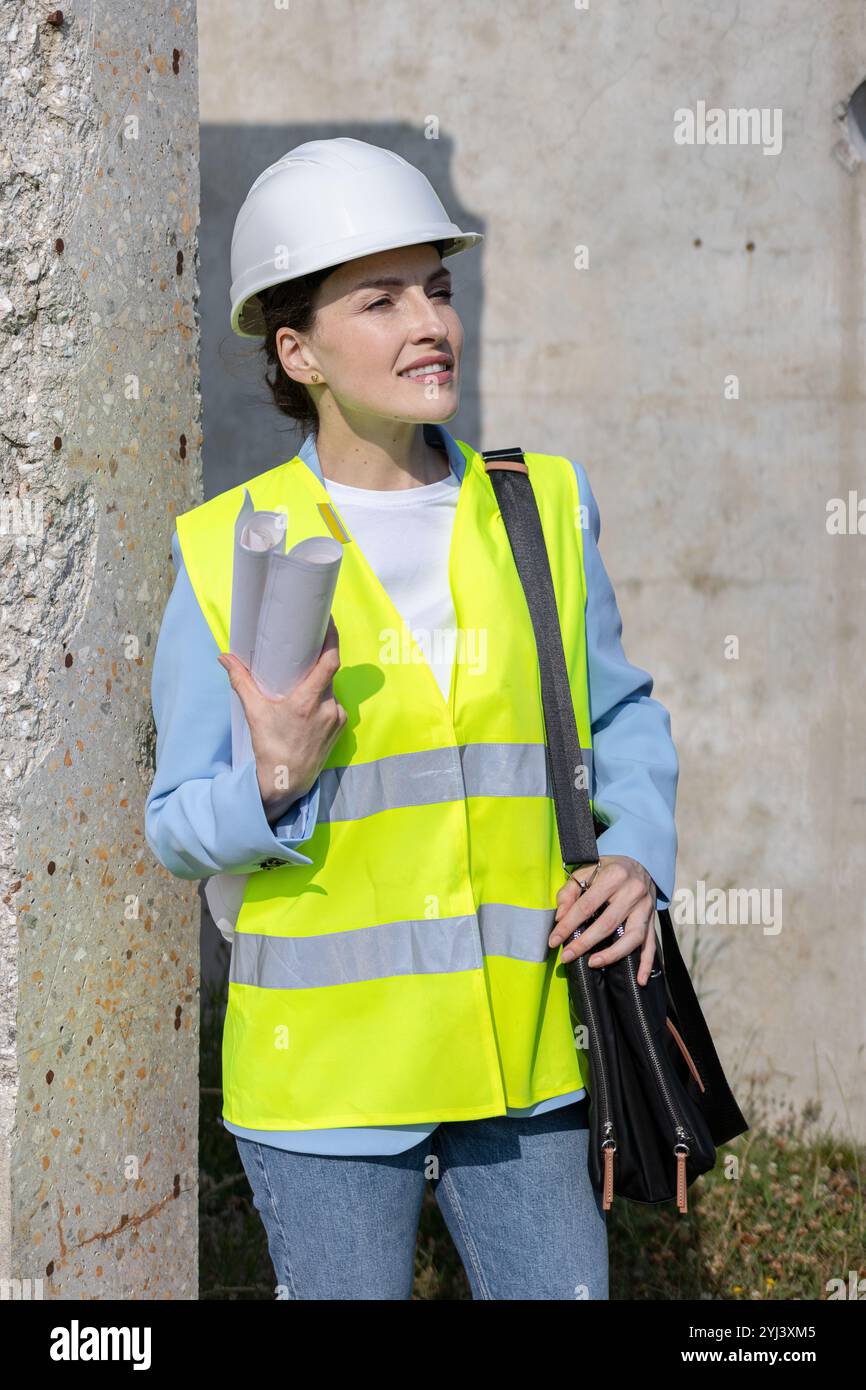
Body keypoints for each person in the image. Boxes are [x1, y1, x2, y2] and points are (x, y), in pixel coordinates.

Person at [145, 138, 679, 1300]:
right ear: (298, 351)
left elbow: (617, 710)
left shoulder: (538, 502)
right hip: (326, 1086)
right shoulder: (233, 546)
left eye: (435, 287)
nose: (427, 321)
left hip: (527, 1064)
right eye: (378, 299)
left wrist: (638, 852)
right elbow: (177, 821)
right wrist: (271, 782)